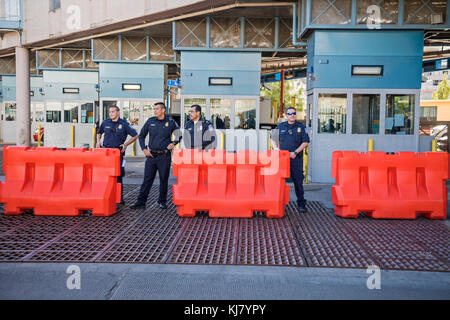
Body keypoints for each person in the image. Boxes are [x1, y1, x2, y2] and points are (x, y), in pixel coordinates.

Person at [130, 102, 180, 210]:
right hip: (151, 156)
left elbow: (179, 134)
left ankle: (162, 201)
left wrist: (173, 143)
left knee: (163, 179)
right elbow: (141, 136)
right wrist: (144, 149)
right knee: (147, 179)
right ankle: (141, 202)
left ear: (163, 110)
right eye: (154, 109)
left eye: (157, 109)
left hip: (164, 156)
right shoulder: (150, 121)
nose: (155, 111)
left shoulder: (170, 122)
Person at [96, 105, 138, 204]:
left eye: (113, 112)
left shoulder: (124, 124)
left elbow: (135, 135)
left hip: (118, 153)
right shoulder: (105, 122)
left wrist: (126, 144)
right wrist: (98, 141)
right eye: (110, 112)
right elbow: (99, 132)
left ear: (118, 112)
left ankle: (119, 197)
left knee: (118, 175)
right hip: (106, 153)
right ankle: (105, 196)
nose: (111, 114)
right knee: (104, 175)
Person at [272, 107, 310, 213]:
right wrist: (276, 149)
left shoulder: (301, 127)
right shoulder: (280, 126)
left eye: (294, 113)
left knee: (298, 182)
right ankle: (278, 203)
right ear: (286, 115)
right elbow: (273, 138)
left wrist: (295, 152)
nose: (292, 115)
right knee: (279, 182)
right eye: (289, 113)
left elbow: (305, 142)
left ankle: (301, 204)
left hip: (296, 159)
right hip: (282, 159)